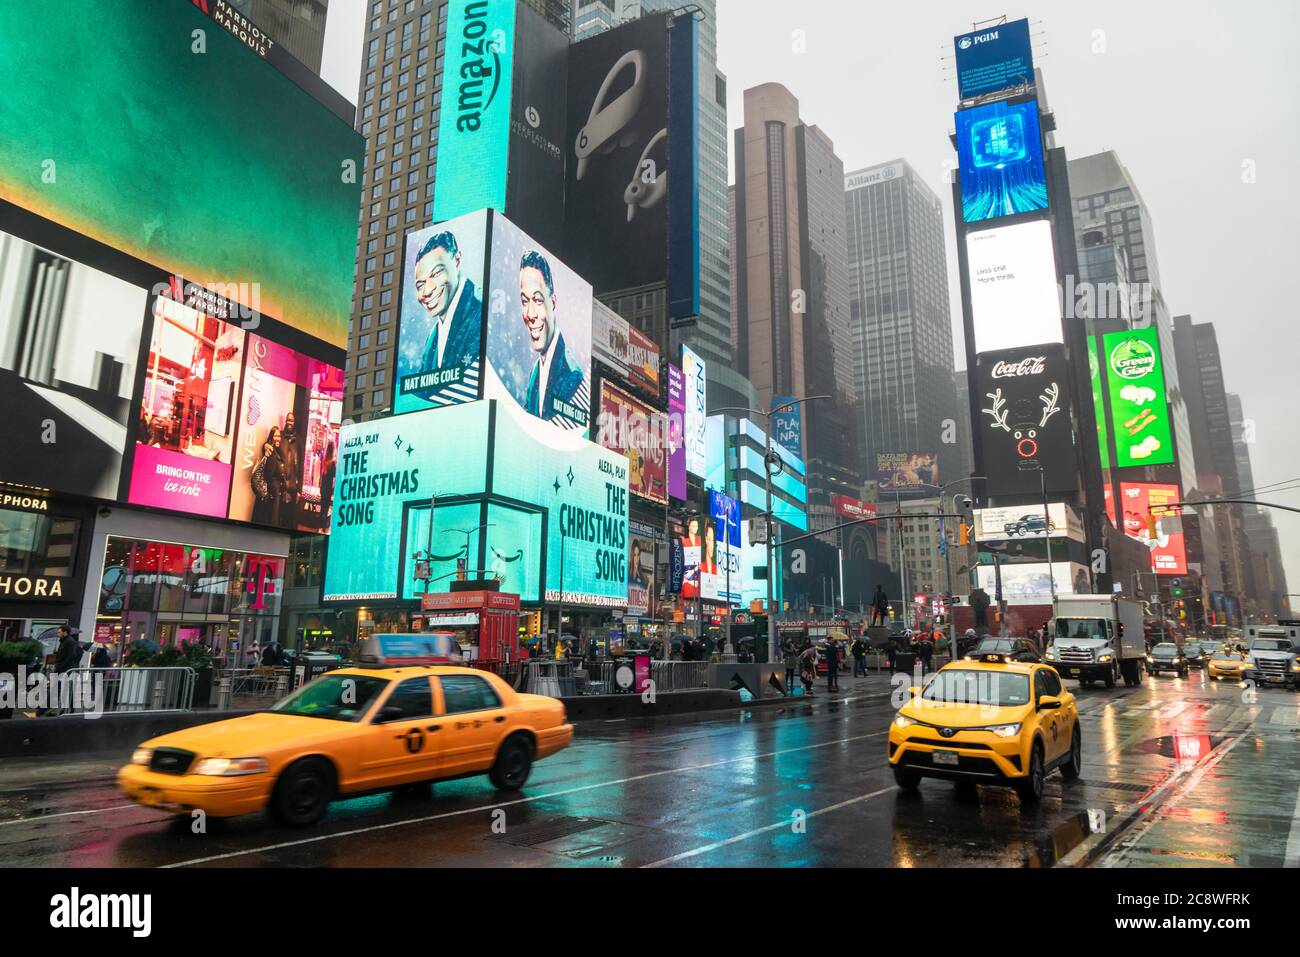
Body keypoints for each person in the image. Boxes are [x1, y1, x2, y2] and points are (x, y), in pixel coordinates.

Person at [519, 250, 589, 428]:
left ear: (553, 303)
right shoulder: (536, 370)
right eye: (525, 301)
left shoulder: (571, 374)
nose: (530, 314)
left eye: (538, 300)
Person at [413, 229, 483, 383]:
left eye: (436, 273)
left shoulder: (480, 314)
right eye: (420, 285)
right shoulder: (433, 336)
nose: (427, 291)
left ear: (457, 260)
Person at [280, 412, 303, 523]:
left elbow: (301, 464)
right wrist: (266, 445)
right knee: (278, 517)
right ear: (285, 421)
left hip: (293, 487)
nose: (289, 422)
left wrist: (299, 489)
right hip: (280, 485)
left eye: (292, 420)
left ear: (294, 423)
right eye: (288, 420)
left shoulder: (298, 440)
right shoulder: (279, 436)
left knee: (289, 520)